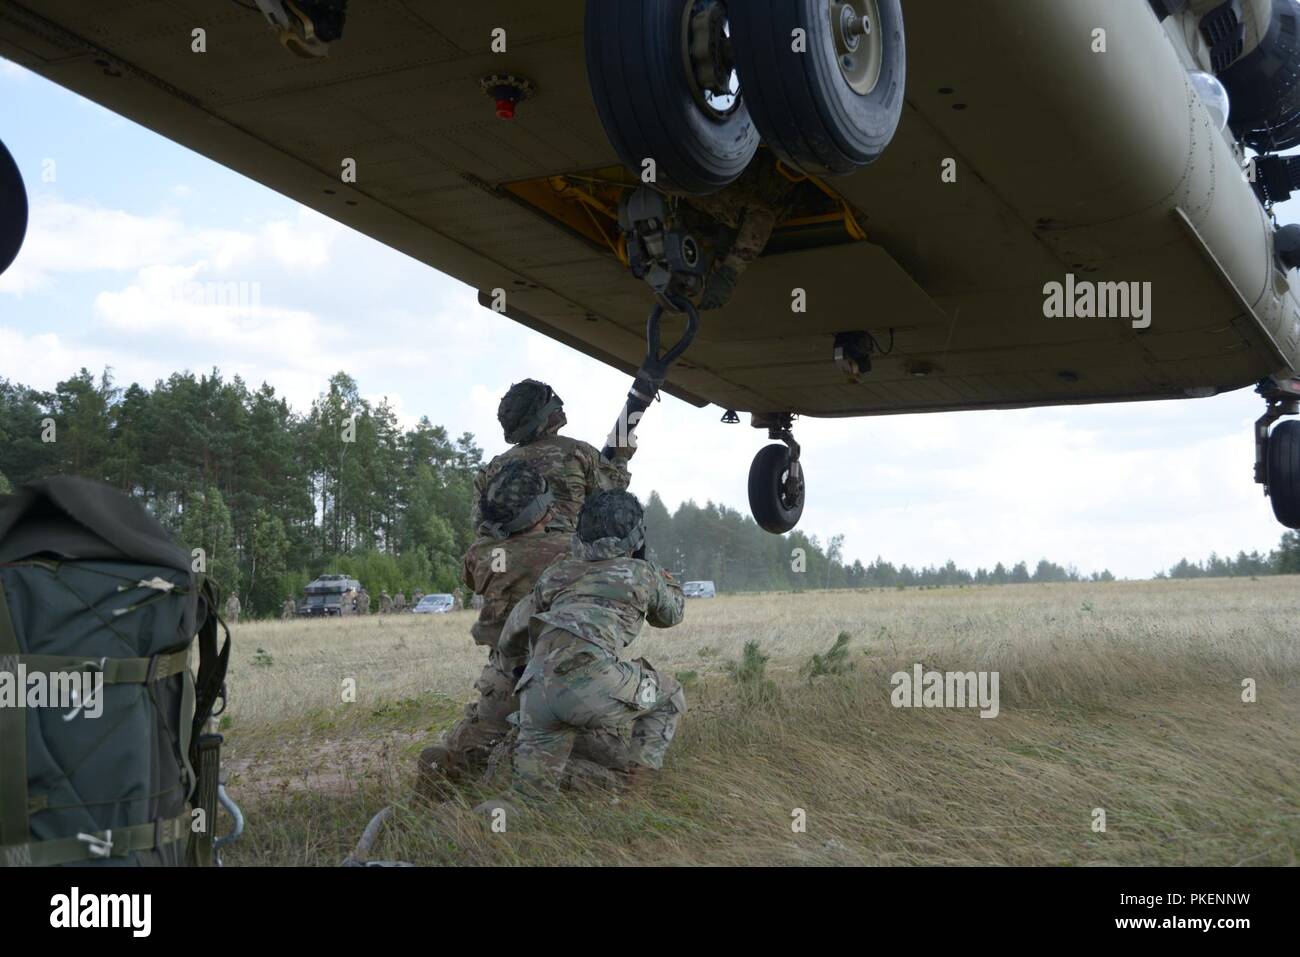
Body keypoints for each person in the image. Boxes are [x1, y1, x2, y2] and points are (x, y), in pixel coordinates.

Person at [418, 462, 625, 798]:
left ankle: (456, 768)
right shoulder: (571, 550)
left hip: (502, 684)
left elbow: (487, 568)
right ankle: (544, 775)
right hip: (559, 683)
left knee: (466, 750)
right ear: (544, 511)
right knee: (612, 762)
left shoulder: (480, 554)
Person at [503, 489, 685, 797]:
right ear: (636, 536)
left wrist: (519, 670)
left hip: (537, 692)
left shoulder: (557, 573)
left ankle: (457, 827)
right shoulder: (642, 574)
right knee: (668, 696)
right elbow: (671, 615)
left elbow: (510, 635)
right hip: (591, 683)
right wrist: (667, 580)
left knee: (528, 801)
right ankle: (634, 795)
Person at [471, 379, 631, 532]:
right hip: (565, 555)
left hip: (507, 558)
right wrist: (621, 458)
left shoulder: (491, 470)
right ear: (542, 414)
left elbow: (479, 524)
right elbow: (615, 497)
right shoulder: (576, 451)